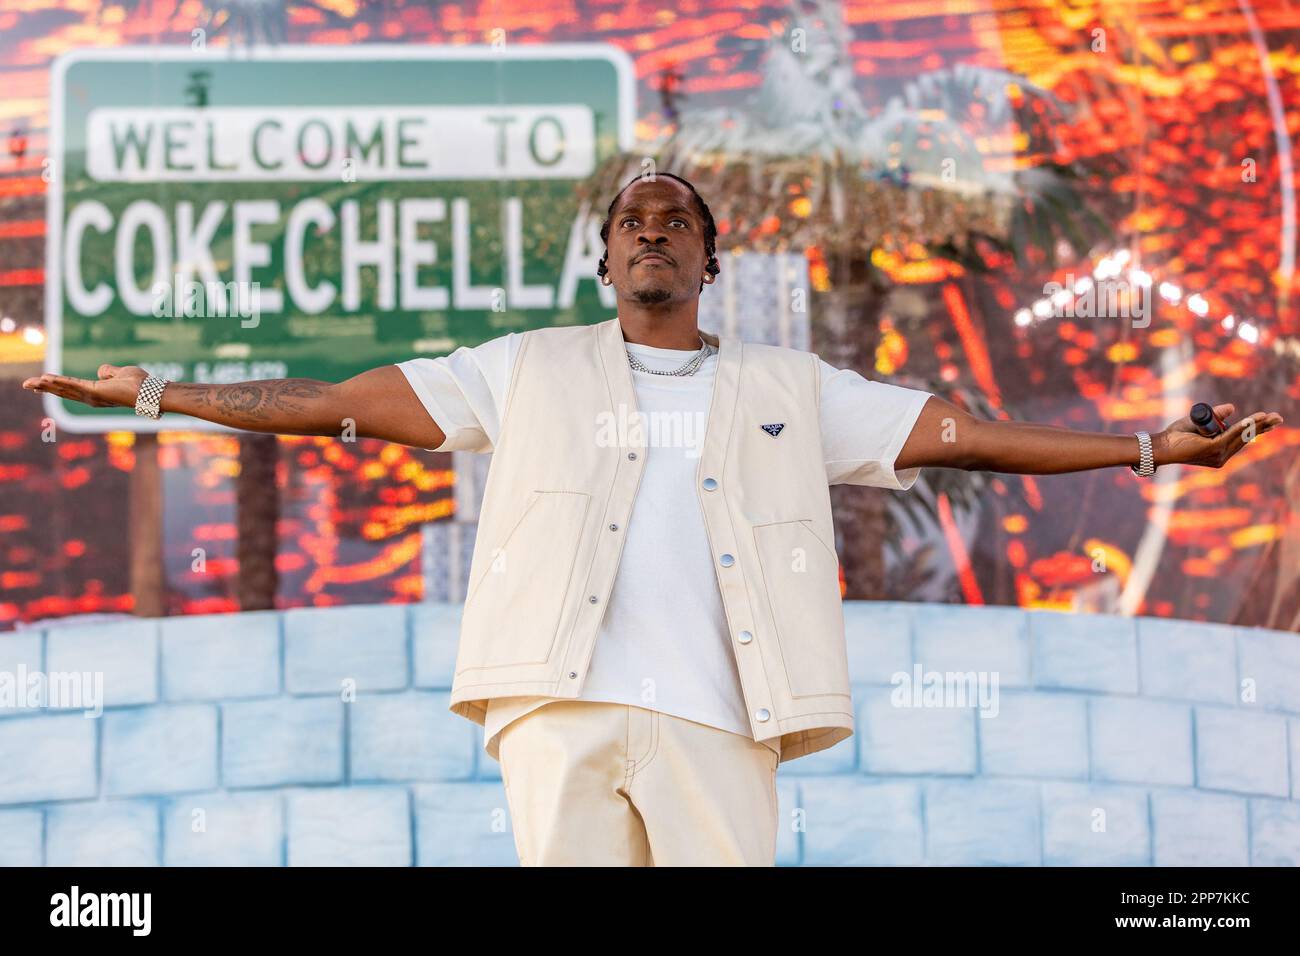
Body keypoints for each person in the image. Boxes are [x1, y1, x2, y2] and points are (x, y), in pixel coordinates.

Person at [22, 173, 1284, 867]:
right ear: (607, 261)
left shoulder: (793, 388)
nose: (651, 232)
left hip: (722, 716)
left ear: (709, 260)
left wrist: (1142, 444)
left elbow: (964, 432)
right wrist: (148, 390)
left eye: (676, 219)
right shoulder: (524, 367)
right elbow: (326, 403)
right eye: (631, 221)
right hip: (554, 704)